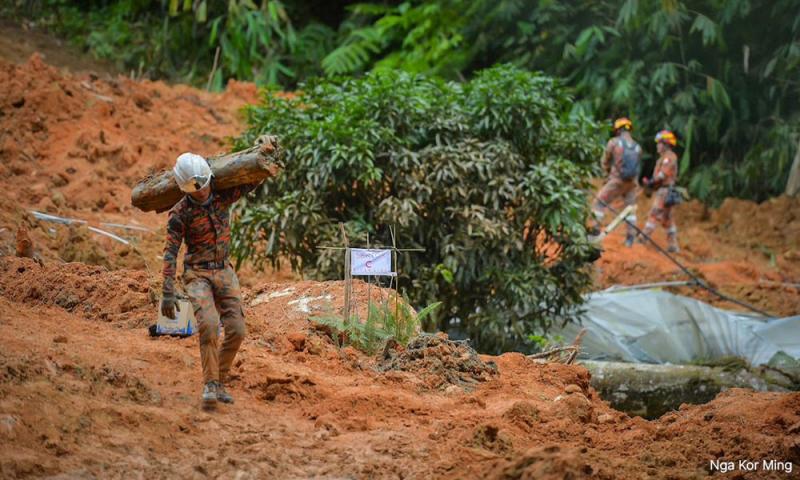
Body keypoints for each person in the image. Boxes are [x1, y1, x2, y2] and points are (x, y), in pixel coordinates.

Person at [160, 150, 265, 409]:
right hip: (197, 274)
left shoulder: (222, 195)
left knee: (237, 330)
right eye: (195, 189)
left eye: (204, 186)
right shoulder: (179, 213)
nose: (202, 192)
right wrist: (167, 291)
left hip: (224, 271)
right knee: (208, 324)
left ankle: (219, 380)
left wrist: (267, 155)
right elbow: (170, 253)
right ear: (185, 189)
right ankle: (210, 384)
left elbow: (253, 178)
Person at [590, 117, 642, 247]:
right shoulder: (637, 147)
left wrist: (606, 175)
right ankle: (630, 239)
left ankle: (594, 232)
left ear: (618, 130)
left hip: (617, 180)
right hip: (631, 183)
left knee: (599, 203)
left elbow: (605, 161)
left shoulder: (614, 143)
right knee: (630, 210)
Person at [641, 130, 680, 252]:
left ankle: (643, 238)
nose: (657, 146)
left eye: (659, 143)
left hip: (665, 191)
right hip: (664, 190)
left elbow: (663, 175)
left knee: (654, 213)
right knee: (667, 219)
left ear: (666, 144)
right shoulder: (663, 158)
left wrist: (652, 182)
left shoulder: (669, 157)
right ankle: (673, 245)